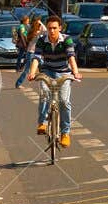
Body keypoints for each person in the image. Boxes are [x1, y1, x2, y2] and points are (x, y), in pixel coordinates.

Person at [28, 15, 80, 147]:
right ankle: (42, 123)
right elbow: (37, 58)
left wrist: (76, 72)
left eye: (55, 28)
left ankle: (65, 133)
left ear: (60, 28)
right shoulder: (41, 40)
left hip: (64, 73)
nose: (52, 31)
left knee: (64, 101)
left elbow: (71, 57)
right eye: (50, 28)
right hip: (47, 71)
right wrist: (33, 72)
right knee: (44, 95)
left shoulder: (67, 40)